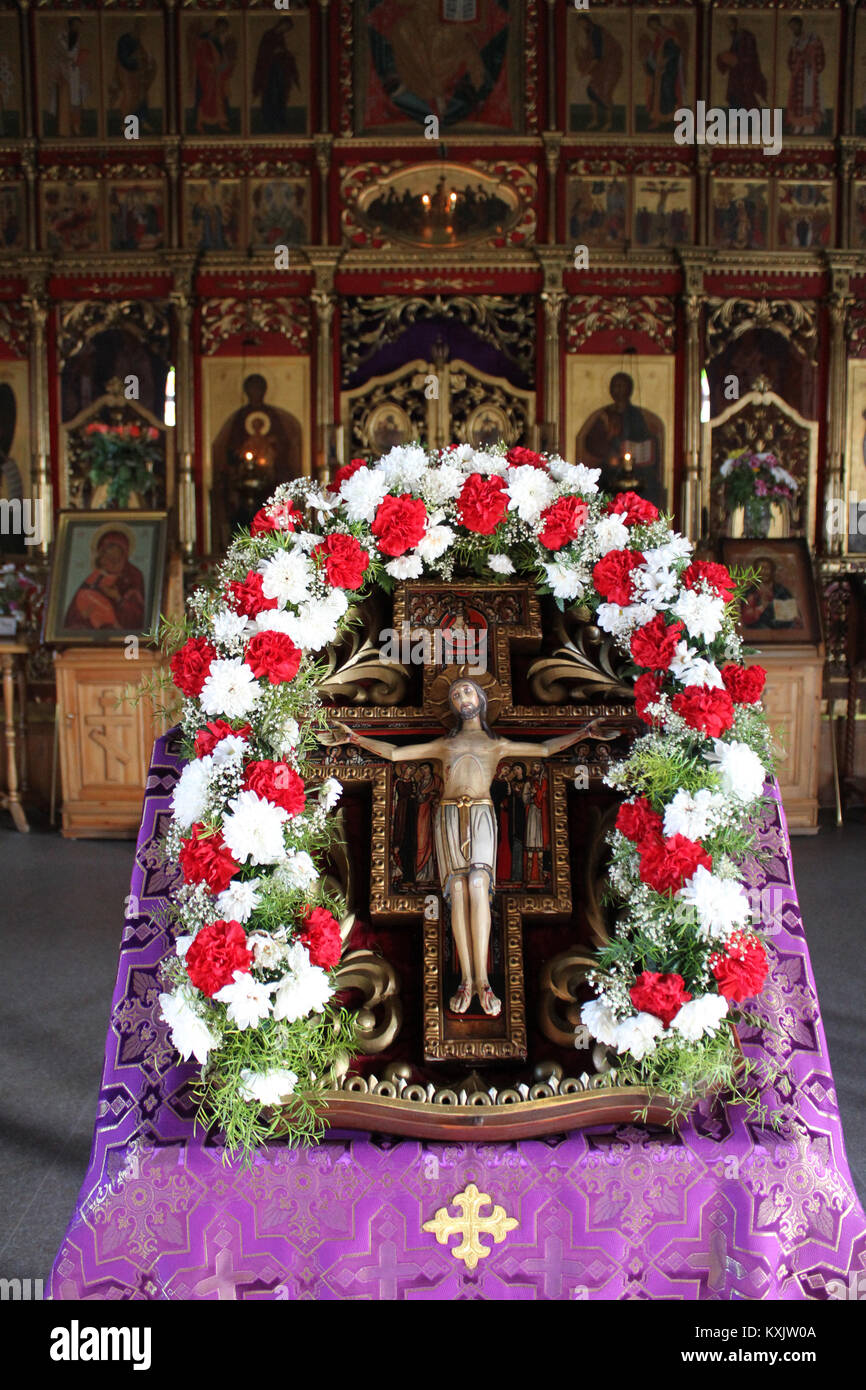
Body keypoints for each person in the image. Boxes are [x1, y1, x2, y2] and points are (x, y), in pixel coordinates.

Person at [337, 680, 611, 1017]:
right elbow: (395, 755)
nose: (461, 698)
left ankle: (484, 980)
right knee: (458, 889)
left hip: (481, 814)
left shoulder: (496, 745)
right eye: (455, 695)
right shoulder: (444, 744)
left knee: (479, 884)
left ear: (480, 699)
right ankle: (466, 979)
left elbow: (543, 750)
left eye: (466, 692)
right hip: (449, 816)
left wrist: (583, 733)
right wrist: (353, 738)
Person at [578, 371, 664, 507]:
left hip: (636, 468)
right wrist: (609, 445)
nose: (618, 390)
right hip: (610, 468)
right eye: (615, 386)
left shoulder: (636, 415)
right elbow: (591, 443)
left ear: (629, 389)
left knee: (649, 485)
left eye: (621, 386)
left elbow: (644, 438)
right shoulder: (604, 415)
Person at [64, 529, 145, 632]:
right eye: (106, 556)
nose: (110, 562)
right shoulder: (95, 576)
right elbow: (74, 616)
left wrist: (118, 598)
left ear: (124, 554)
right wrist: (83, 615)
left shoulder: (133, 576)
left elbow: (138, 617)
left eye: (115, 558)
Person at [252, 17, 299, 133]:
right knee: (270, 96)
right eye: (286, 27)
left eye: (287, 29)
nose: (285, 30)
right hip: (269, 73)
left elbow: (282, 53)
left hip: (279, 72)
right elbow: (264, 54)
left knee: (280, 96)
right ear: (281, 24)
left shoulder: (280, 37)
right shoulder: (268, 35)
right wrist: (275, 52)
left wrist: (286, 54)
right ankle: (270, 122)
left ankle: (279, 121)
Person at [785, 17, 825, 135]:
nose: (793, 29)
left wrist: (811, 61)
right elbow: (790, 59)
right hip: (798, 76)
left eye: (794, 26)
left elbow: (819, 56)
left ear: (800, 25)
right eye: (791, 27)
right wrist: (796, 64)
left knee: (809, 100)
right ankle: (798, 124)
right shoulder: (794, 42)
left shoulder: (812, 38)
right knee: (797, 100)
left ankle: (810, 125)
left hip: (809, 76)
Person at [716, 17, 767, 110]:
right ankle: (737, 121)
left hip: (746, 75)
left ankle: (752, 120)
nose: (729, 29)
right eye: (728, 26)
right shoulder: (736, 38)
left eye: (730, 26)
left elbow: (751, 57)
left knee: (746, 98)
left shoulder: (747, 37)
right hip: (736, 76)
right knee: (734, 98)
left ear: (736, 24)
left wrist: (737, 60)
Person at [740, 557, 802, 631]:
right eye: (761, 569)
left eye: (767, 569)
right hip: (758, 631)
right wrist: (762, 607)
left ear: (773, 571)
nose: (764, 572)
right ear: (755, 571)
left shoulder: (782, 591)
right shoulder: (751, 592)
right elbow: (746, 618)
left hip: (782, 631)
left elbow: (793, 613)